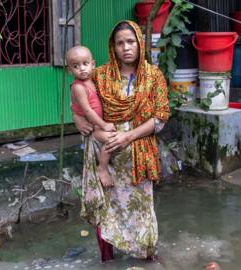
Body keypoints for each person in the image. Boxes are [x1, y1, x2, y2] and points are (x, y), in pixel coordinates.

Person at [73, 20, 169, 262]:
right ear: (112, 47)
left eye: (130, 41)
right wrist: (78, 121)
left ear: (140, 43)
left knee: (142, 210)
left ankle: (147, 259)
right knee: (106, 208)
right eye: (120, 43)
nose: (126, 47)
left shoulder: (154, 76)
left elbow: (160, 118)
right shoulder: (99, 75)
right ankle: (107, 260)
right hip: (104, 153)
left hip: (138, 154)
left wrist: (128, 136)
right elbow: (79, 96)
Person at [66, 46, 116, 188]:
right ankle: (102, 167)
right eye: (76, 66)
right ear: (70, 70)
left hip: (98, 123)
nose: (82, 69)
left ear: (93, 64)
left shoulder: (94, 79)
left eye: (85, 64)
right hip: (94, 127)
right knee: (111, 139)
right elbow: (87, 111)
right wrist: (103, 125)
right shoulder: (78, 87)